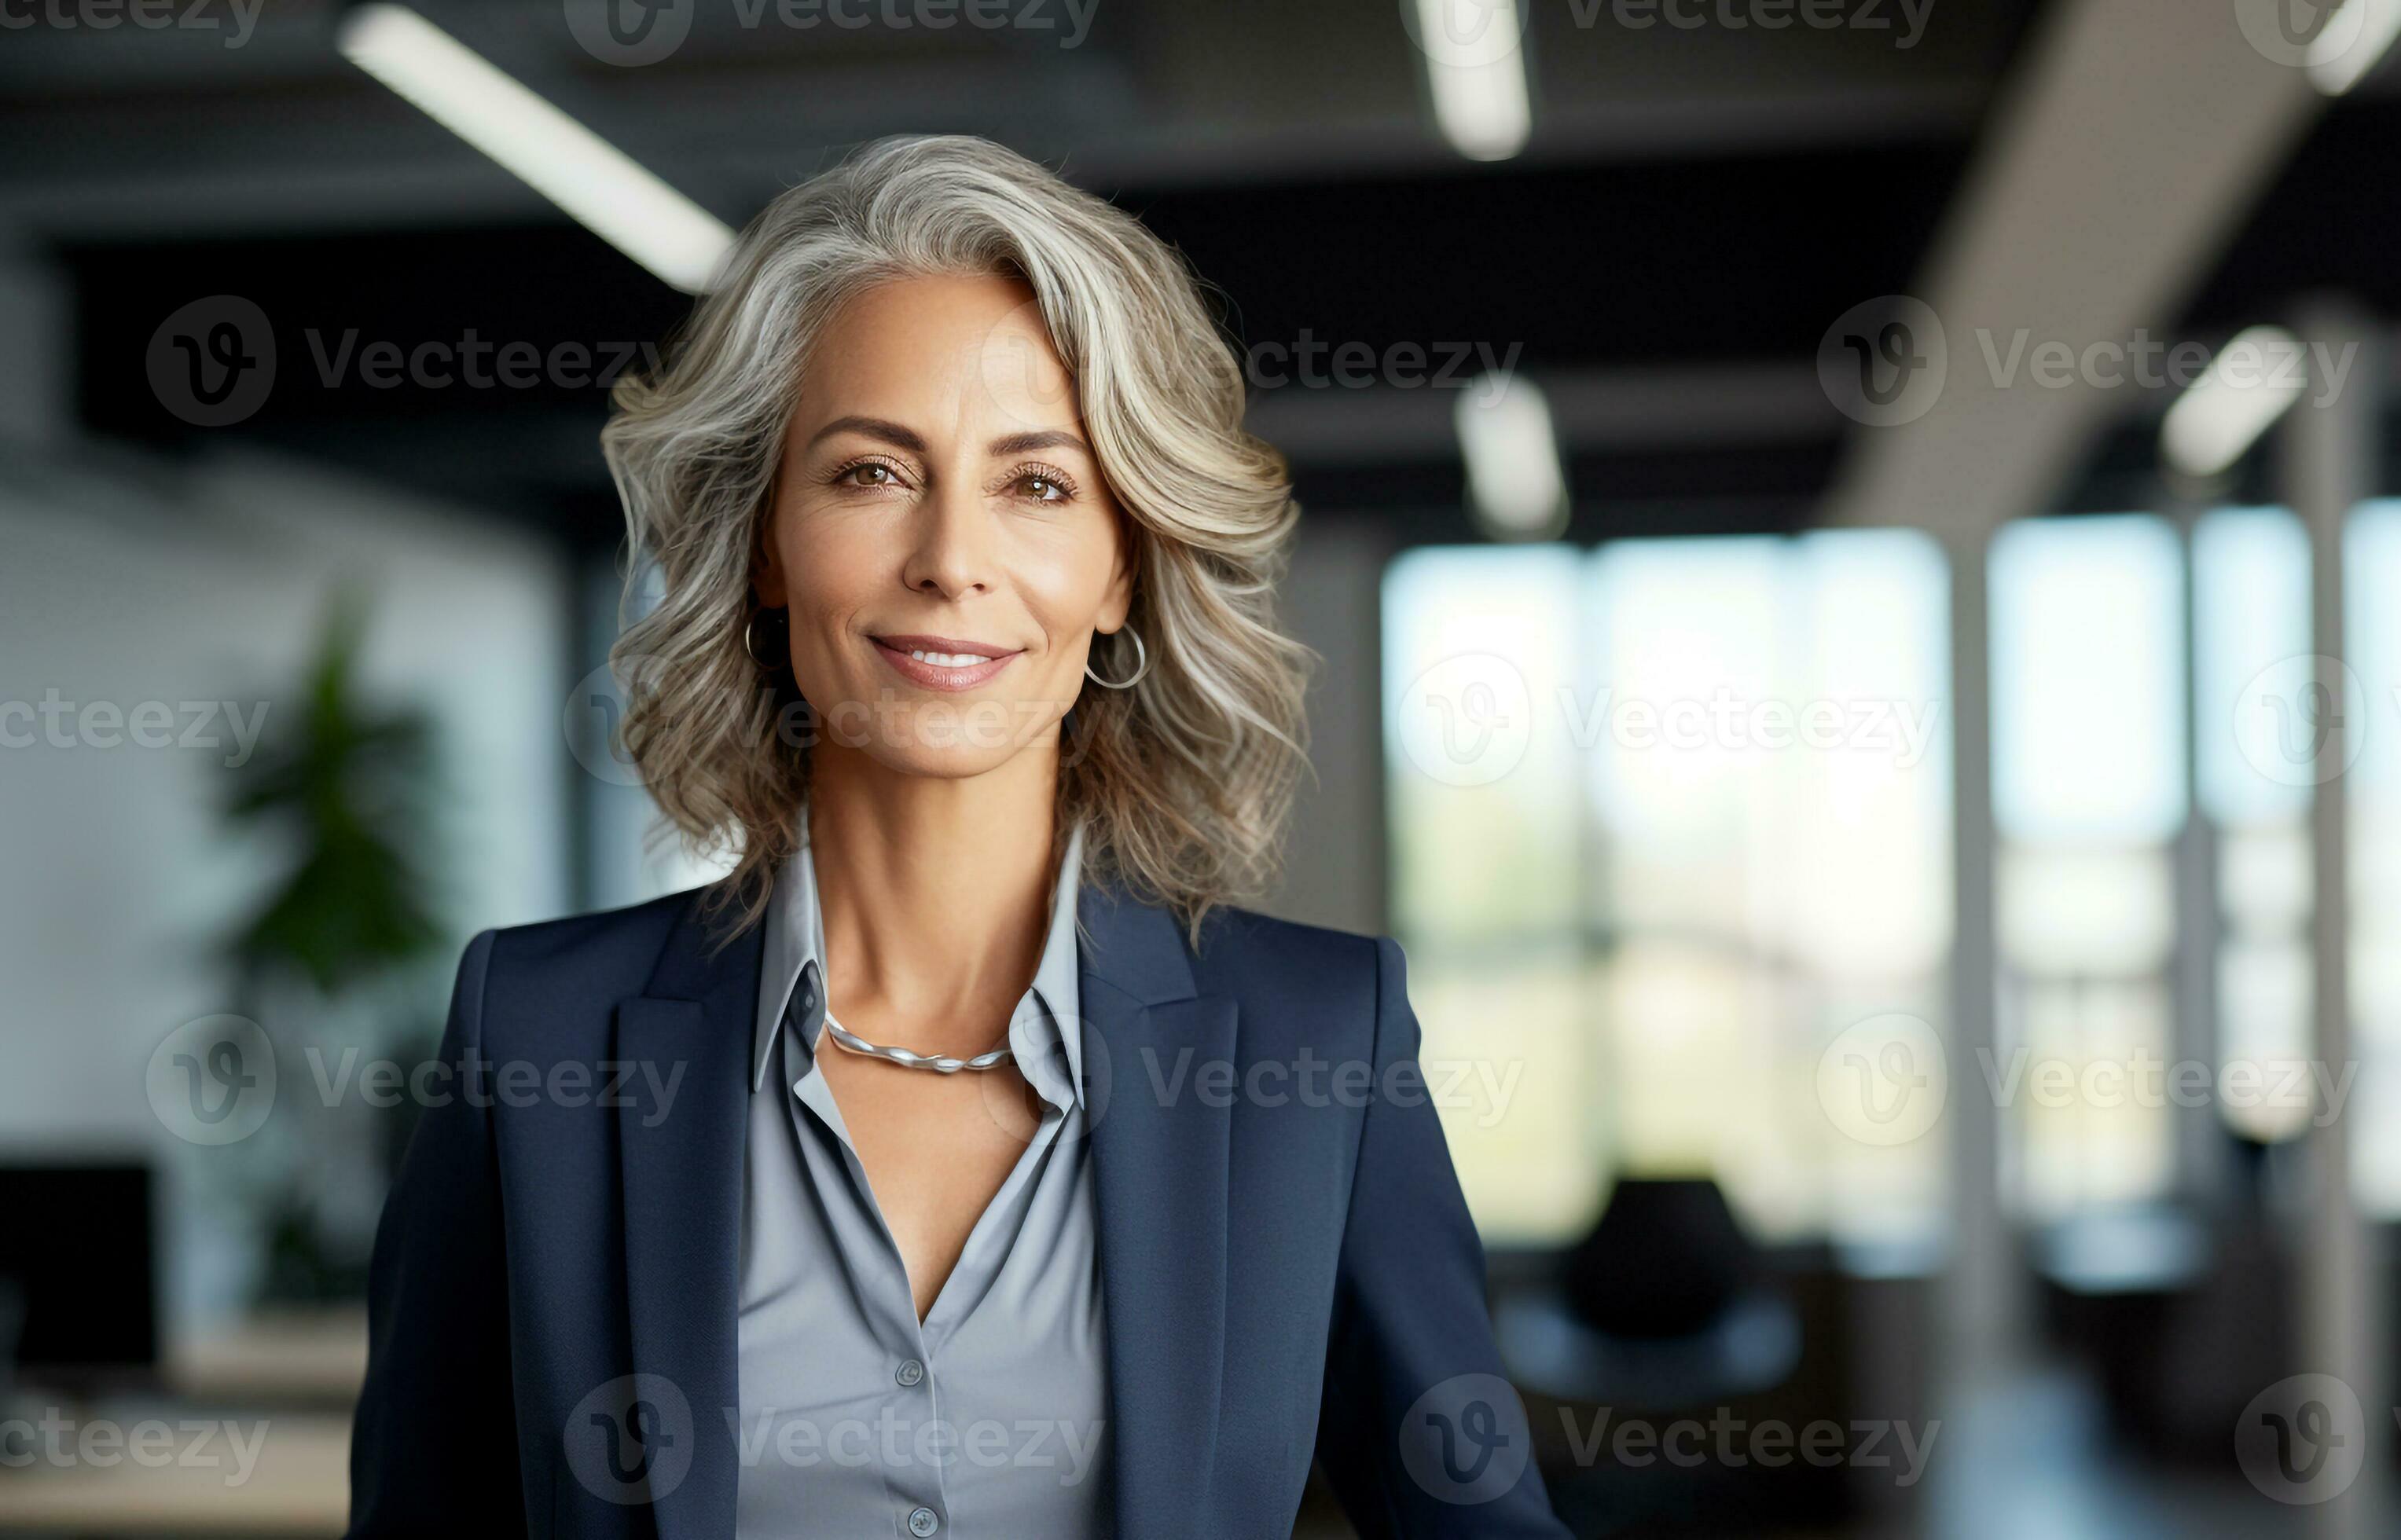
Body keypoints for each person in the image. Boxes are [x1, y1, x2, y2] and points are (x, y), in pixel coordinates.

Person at [346, 135, 1569, 1539]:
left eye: (1037, 485)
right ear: (762, 542)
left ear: (1123, 564)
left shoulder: (1316, 1045)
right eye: (871, 474)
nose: (950, 557)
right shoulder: (538, 1033)